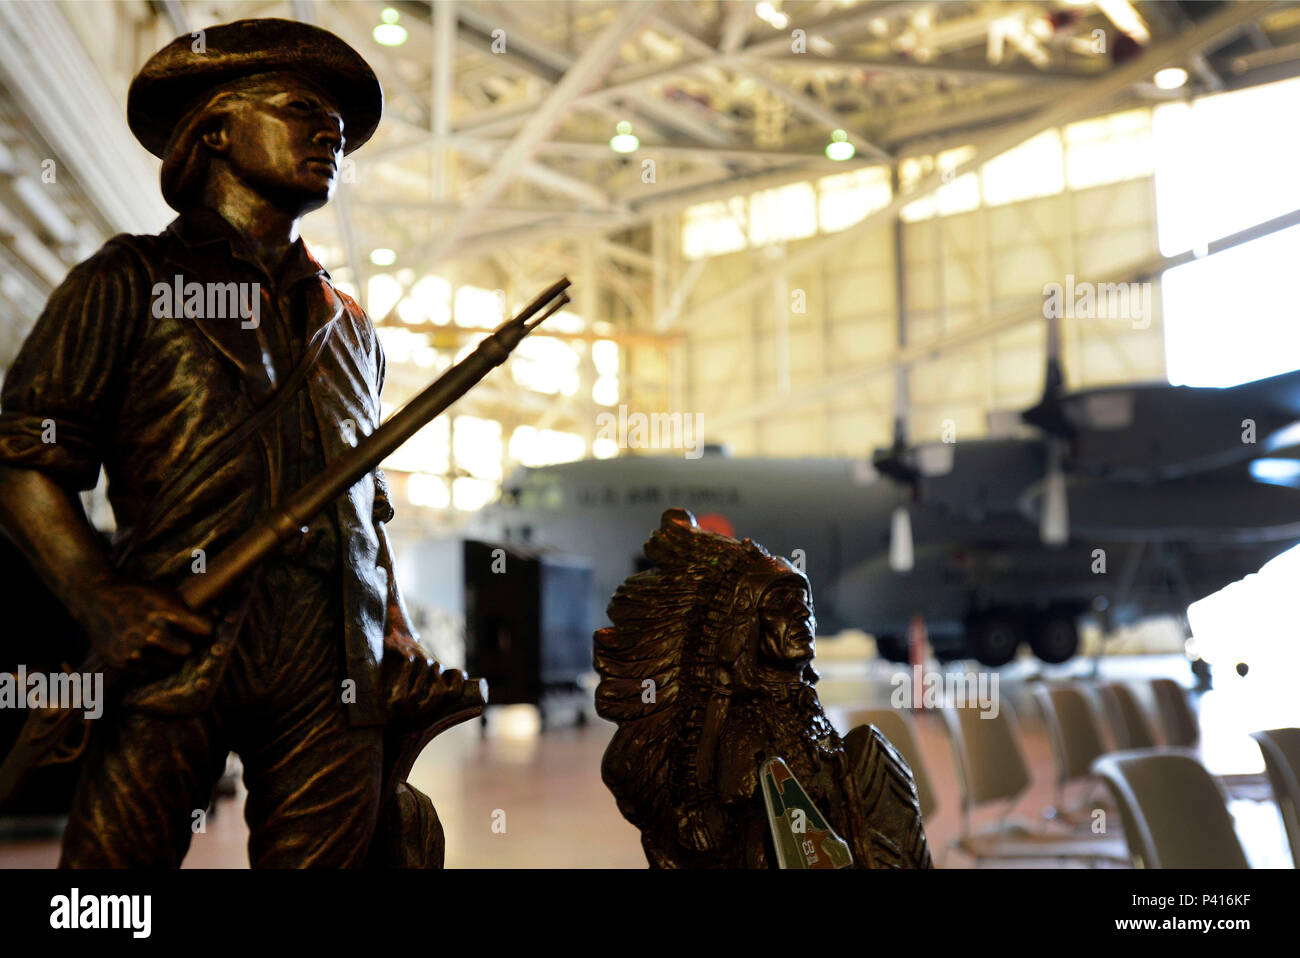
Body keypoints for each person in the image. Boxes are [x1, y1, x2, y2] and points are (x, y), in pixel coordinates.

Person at [0, 18, 470, 868]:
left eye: (337, 123)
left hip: (334, 655)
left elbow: (365, 502)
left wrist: (394, 630)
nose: (330, 132)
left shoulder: (352, 327)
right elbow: (25, 460)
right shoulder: (128, 280)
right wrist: (102, 602)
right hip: (180, 632)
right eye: (300, 109)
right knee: (110, 892)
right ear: (213, 129)